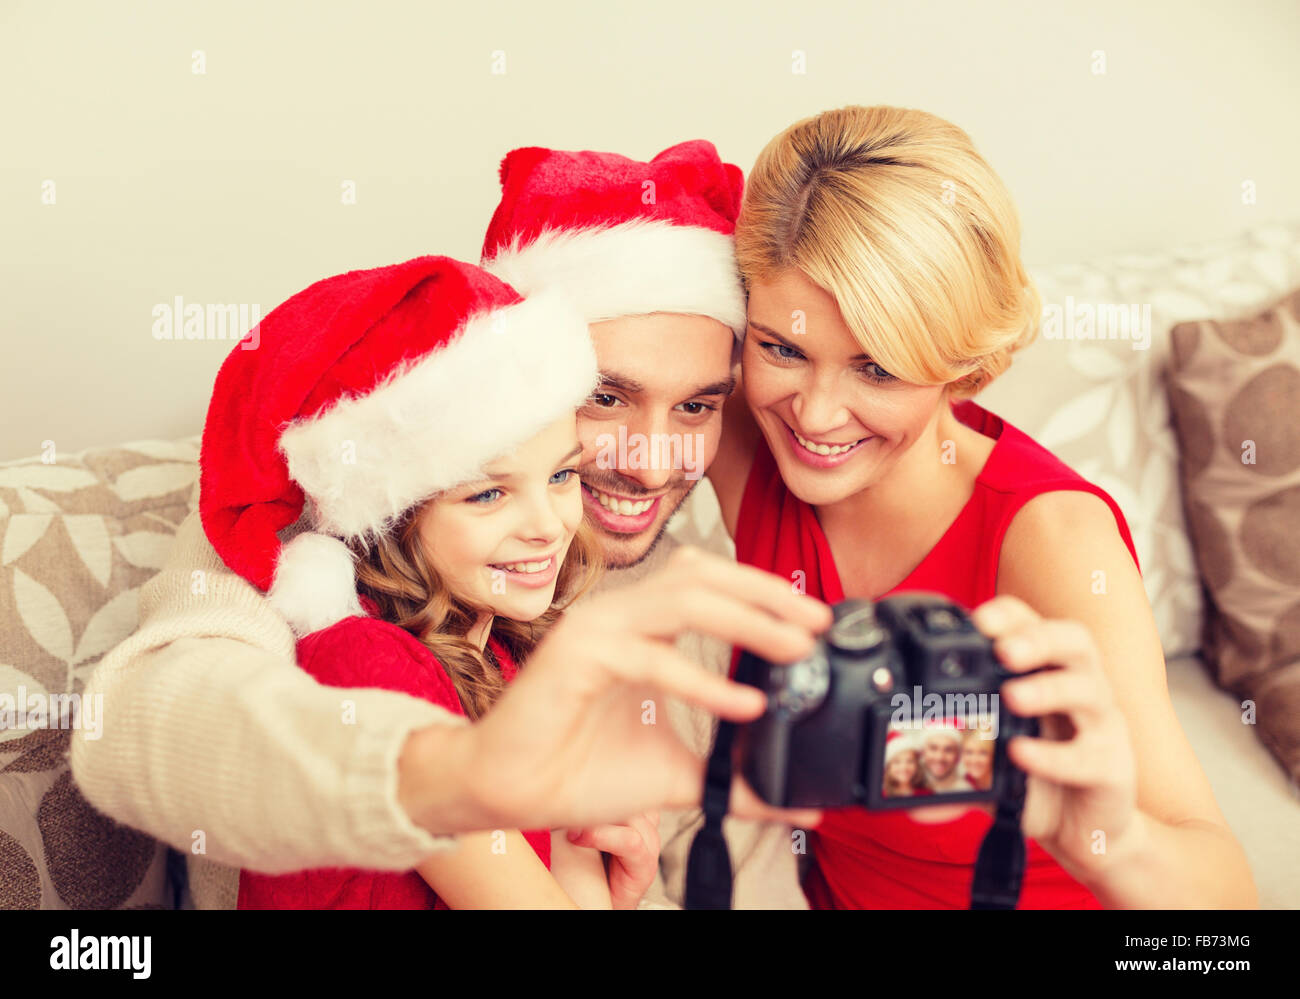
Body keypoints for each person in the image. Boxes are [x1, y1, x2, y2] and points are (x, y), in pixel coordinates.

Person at [70, 140, 826, 909]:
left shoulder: (693, 619)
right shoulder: (312, 526)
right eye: (604, 395)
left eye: (696, 405)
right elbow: (135, 728)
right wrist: (440, 773)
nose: (650, 462)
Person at [706, 104, 1256, 908]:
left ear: (960, 368)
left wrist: (1109, 838)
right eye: (782, 347)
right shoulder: (738, 426)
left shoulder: (1051, 540)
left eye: (878, 370)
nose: (815, 414)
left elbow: (1227, 899)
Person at [199, 255, 630, 907]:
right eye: (488, 494)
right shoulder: (362, 666)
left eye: (562, 476)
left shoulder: (520, 649)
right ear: (394, 517)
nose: (548, 526)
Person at [918, 728, 965, 793]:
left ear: (957, 756)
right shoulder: (907, 786)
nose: (940, 757)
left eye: (948, 750)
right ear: (922, 752)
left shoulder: (965, 790)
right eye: (933, 748)